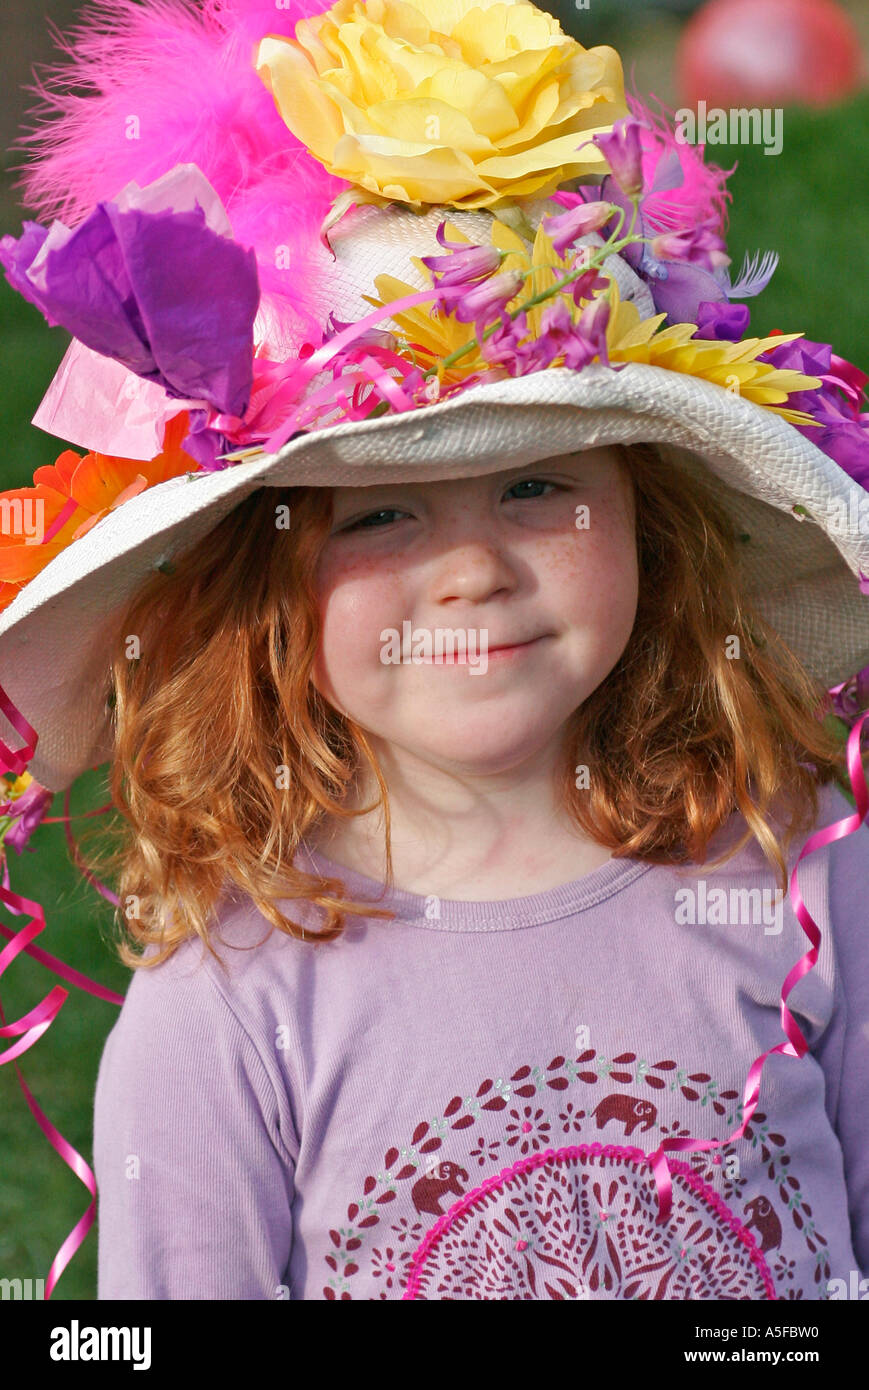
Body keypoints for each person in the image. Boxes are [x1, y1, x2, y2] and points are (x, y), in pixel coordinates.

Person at [0, 0, 866, 1301]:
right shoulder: (227, 1010)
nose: (469, 566)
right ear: (274, 589)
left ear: (652, 521)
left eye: (537, 488)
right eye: (383, 514)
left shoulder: (805, 876)